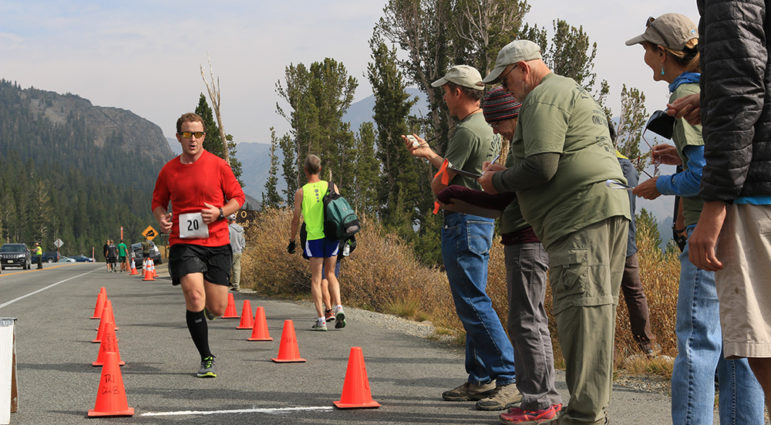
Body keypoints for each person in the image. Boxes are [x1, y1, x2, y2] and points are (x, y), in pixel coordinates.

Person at [480, 40, 630, 425]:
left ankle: (583, 416)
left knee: (581, 316)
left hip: (579, 218)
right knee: (594, 317)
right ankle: (591, 411)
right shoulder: (570, 89)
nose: (505, 88)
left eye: (506, 78)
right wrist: (507, 174)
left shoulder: (541, 98)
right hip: (605, 209)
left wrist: (498, 183)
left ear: (524, 69)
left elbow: (544, 166)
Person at [626, 13, 764, 424]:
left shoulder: (685, 92)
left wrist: (661, 186)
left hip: (707, 230)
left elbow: (705, 174)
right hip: (739, 226)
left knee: (696, 344)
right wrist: (680, 155)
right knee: (739, 345)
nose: (645, 59)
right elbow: (721, 155)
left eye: (646, 50)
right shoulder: (713, 87)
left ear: (663, 53)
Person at [674, 0, 771, 415]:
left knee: (759, 341)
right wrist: (710, 100)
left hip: (758, 193)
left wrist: (714, 206)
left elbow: (741, 93)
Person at [404, 65, 520, 412]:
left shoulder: (467, 130)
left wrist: (431, 163)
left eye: (445, 90)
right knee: (475, 298)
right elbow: (458, 170)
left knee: (471, 301)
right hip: (478, 220)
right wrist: (434, 156)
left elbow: (442, 182)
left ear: (458, 91)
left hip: (464, 219)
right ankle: (481, 377)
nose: (442, 97)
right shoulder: (485, 126)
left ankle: (508, 377)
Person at [480, 87, 563, 423]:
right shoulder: (520, 143)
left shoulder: (528, 141)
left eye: (498, 123)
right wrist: (501, 173)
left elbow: (534, 179)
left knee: (527, 320)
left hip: (528, 238)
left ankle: (540, 401)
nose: (497, 131)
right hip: (522, 235)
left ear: (511, 116)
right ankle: (541, 397)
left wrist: (497, 180)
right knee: (528, 319)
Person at [152, 112, 245, 378]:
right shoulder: (169, 170)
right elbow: (158, 202)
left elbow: (238, 198)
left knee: (217, 308)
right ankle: (206, 357)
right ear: (178, 136)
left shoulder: (218, 166)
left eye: (197, 134)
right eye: (187, 134)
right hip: (184, 242)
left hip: (217, 242)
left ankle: (208, 308)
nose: (192, 139)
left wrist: (219, 212)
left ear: (204, 136)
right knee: (194, 296)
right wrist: (162, 219)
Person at [608, 122, 660, 357]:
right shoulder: (617, 163)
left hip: (621, 241)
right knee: (624, 293)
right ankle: (635, 346)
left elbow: (623, 205)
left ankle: (647, 345)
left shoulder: (622, 166)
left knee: (632, 292)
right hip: (620, 240)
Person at [287, 154, 346, 331]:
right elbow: (340, 209)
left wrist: (292, 240)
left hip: (314, 238)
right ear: (319, 169)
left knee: (315, 279)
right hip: (332, 236)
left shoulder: (301, 192)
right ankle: (339, 307)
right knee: (331, 275)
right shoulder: (331, 186)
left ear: (305, 171)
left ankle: (321, 319)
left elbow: (296, 219)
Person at [228, 213, 245, 292]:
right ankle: (236, 285)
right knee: (237, 269)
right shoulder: (241, 229)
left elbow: (227, 240)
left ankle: (225, 284)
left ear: (229, 220)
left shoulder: (228, 229)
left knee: (227, 268)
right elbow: (243, 240)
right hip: (239, 251)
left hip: (231, 251)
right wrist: (242, 248)